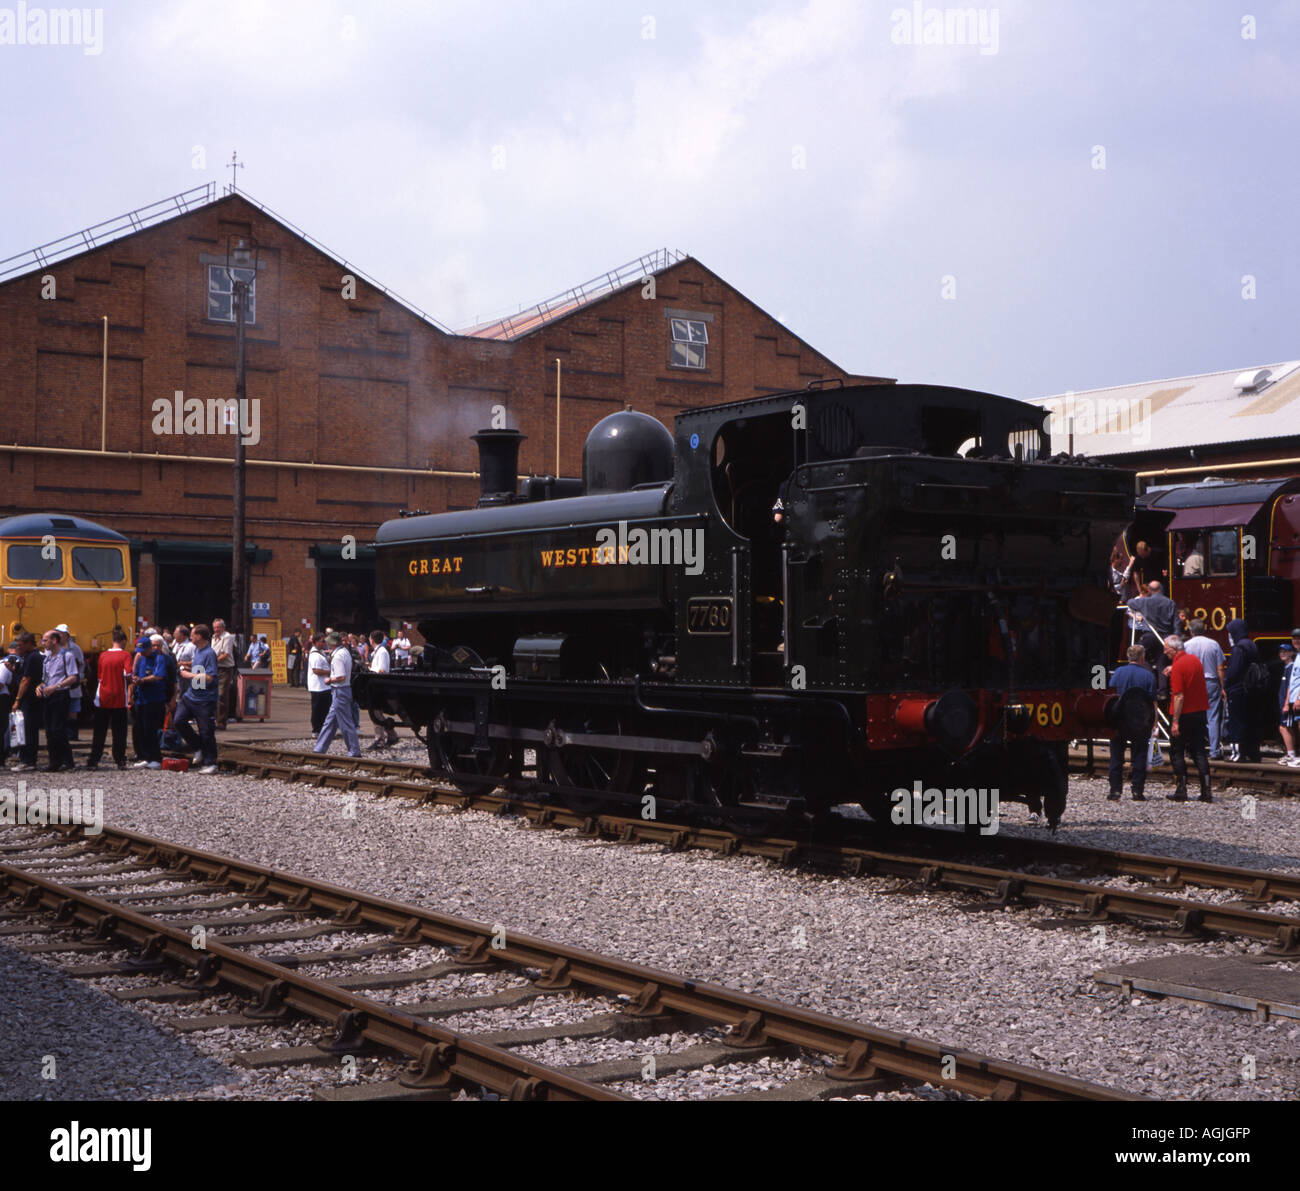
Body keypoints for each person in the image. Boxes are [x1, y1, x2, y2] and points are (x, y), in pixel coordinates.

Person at [1163, 633, 1212, 802]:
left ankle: (1181, 789)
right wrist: (1173, 668)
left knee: (1177, 751)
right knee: (1199, 751)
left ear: (1174, 649)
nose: (1164, 652)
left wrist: (1175, 721)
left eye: (1166, 649)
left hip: (1183, 715)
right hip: (1200, 713)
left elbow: (1179, 696)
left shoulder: (1178, 667)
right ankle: (1206, 791)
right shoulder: (1195, 660)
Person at [1107, 644, 1157, 801]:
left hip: (1119, 719)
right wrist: (1154, 723)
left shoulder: (1118, 673)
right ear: (1142, 658)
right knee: (1139, 756)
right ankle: (1137, 791)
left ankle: (1115, 790)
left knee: (1116, 756)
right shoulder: (1148, 676)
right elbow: (1153, 703)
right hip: (1140, 721)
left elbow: (1110, 695)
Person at [173, 623, 220, 775]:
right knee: (178, 720)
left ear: (199, 636)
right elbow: (199, 669)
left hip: (205, 699)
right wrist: (188, 668)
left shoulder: (209, 653)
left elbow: (210, 677)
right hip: (191, 695)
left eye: (192, 634)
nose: (190, 637)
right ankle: (198, 746)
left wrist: (189, 675)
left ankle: (211, 762)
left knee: (206, 730)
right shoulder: (198, 651)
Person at [86, 629, 133, 770]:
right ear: (123, 641)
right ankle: (119, 759)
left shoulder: (103, 655)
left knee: (99, 731)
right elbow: (128, 674)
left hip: (103, 697)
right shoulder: (125, 655)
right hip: (119, 697)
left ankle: (94, 759)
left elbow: (99, 676)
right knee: (119, 731)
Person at [1183, 619, 1227, 760]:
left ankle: (1194, 750)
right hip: (1211, 682)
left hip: (1193, 683)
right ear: (1204, 629)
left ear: (1191, 631)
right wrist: (1223, 686)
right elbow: (1220, 668)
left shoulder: (1186, 645)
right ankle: (1214, 751)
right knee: (1213, 717)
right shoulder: (1214, 644)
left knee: (1192, 717)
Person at [36, 629, 78, 772]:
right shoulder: (47, 657)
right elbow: (45, 679)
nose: (43, 643)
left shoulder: (67, 656)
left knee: (58, 729)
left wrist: (56, 686)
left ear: (54, 641)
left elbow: (73, 677)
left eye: (45, 640)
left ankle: (68, 761)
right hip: (48, 696)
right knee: (49, 730)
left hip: (60, 694)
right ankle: (54, 761)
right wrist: (39, 686)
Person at [314, 632, 361, 757]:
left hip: (340, 690)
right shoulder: (344, 652)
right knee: (330, 722)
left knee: (345, 723)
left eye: (328, 642)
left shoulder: (338, 656)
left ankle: (354, 750)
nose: (326, 644)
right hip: (342, 691)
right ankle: (319, 749)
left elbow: (341, 676)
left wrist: (330, 679)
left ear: (332, 643)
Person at [1224, 619, 1262, 763]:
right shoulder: (1252, 645)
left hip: (1238, 689)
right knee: (1250, 721)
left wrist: (1226, 685)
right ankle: (1253, 752)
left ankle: (1237, 754)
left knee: (1236, 721)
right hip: (1251, 689)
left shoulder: (1238, 648)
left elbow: (1233, 671)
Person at [129, 636, 168, 769]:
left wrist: (143, 680)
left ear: (150, 648)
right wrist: (134, 678)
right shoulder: (140, 658)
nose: (141, 652)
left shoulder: (159, 658)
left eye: (144, 650)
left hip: (154, 699)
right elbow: (135, 673)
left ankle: (155, 758)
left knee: (151, 729)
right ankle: (145, 756)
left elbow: (159, 675)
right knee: (142, 729)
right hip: (141, 699)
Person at [11, 632, 43, 772]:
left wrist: (17, 699)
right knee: (25, 729)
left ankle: (28, 760)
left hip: (29, 699)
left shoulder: (33, 657)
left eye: (21, 645)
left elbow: (26, 680)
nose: (19, 647)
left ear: (29, 643)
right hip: (28, 699)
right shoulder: (26, 657)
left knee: (28, 730)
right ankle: (27, 759)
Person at [366, 630, 398, 749]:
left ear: (372, 640)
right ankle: (392, 736)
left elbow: (382, 670)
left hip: (379, 686)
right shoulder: (378, 651)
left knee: (375, 712)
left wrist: (371, 669)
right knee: (376, 713)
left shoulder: (382, 652)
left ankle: (380, 738)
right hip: (375, 686)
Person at [54, 625, 84, 740]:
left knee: (73, 709)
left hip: (73, 685)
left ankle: (72, 733)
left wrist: (78, 678)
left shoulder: (75, 649)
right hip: (58, 685)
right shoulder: (52, 648)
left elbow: (81, 664)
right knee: (60, 710)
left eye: (61, 634)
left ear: (66, 635)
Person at [211, 619, 237, 729]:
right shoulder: (213, 637)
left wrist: (211, 661)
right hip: (214, 668)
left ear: (223, 628)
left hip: (225, 669)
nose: (216, 630)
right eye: (215, 627)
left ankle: (221, 722)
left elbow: (226, 654)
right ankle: (215, 719)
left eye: (218, 627)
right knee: (213, 694)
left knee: (222, 694)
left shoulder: (227, 637)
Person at [1277, 641, 1300, 767]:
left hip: (1288, 702)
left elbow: (1290, 687)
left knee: (1285, 727)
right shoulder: (1286, 668)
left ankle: (1292, 754)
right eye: (1281, 652)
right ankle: (1291, 754)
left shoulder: (1291, 667)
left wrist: (1286, 703)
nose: (1282, 654)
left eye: (1285, 651)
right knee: (1286, 727)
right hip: (1284, 702)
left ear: (1291, 653)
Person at [306, 632, 331, 735]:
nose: (325, 642)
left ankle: (322, 729)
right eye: (322, 641)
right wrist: (330, 672)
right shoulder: (315, 655)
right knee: (317, 710)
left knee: (325, 709)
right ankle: (316, 730)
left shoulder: (321, 652)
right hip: (318, 687)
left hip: (324, 686)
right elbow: (316, 670)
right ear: (316, 642)